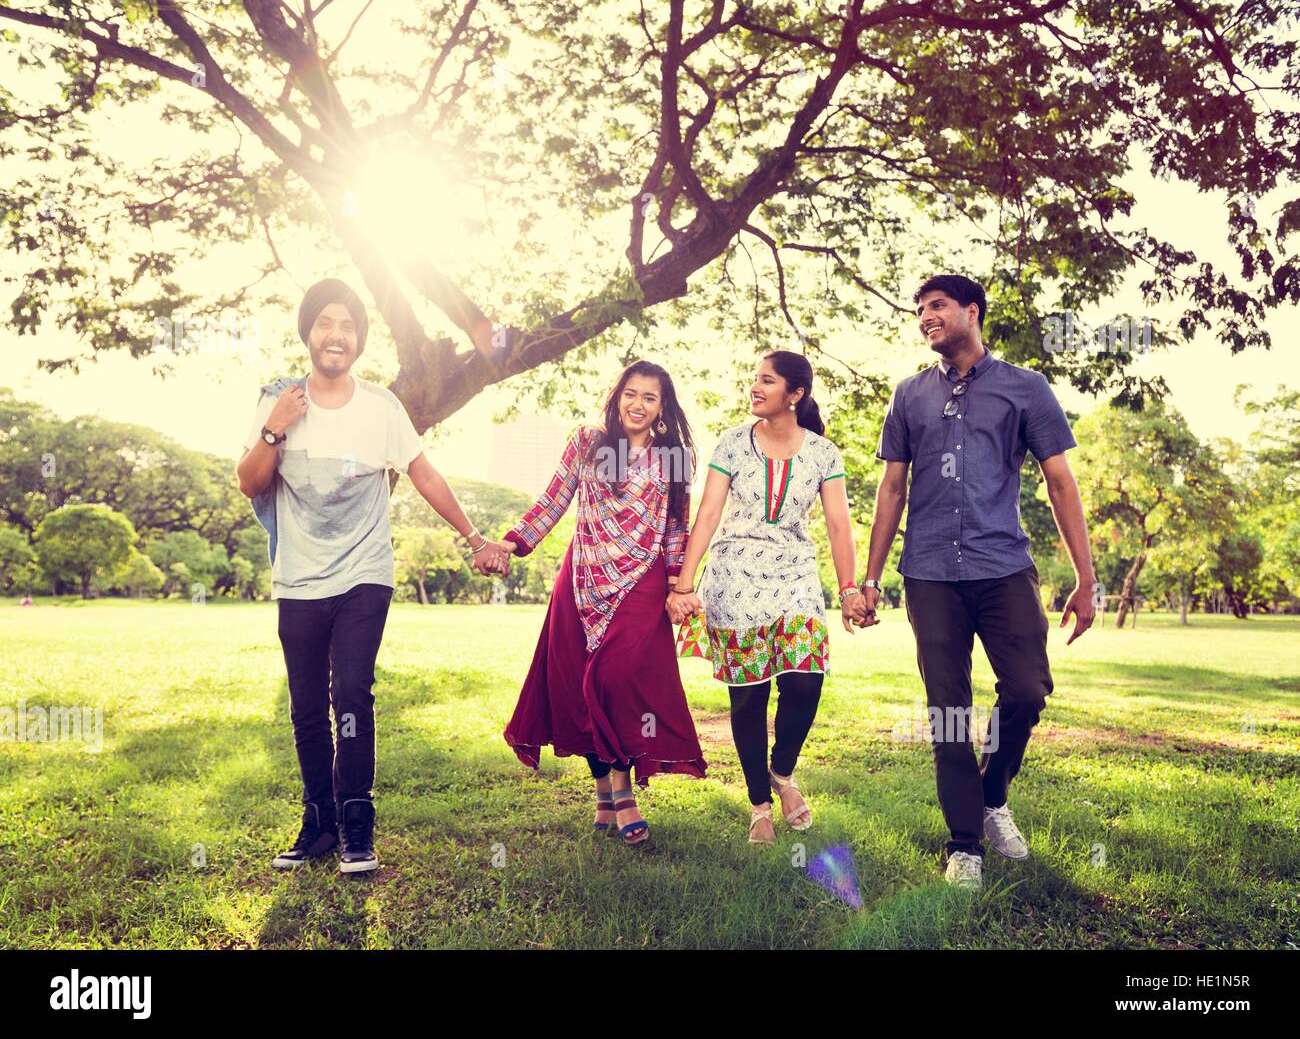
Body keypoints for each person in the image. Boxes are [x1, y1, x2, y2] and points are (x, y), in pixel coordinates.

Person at [237, 277, 509, 875]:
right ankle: (318, 825)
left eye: (349, 326)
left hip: (364, 573)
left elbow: (424, 474)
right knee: (307, 704)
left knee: (352, 691)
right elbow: (251, 482)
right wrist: (275, 426)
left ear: (359, 339)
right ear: (309, 332)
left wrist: (475, 537)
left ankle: (357, 823)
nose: (337, 335)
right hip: (299, 579)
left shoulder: (381, 406)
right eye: (326, 324)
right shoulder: (279, 400)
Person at [860, 273, 1096, 890]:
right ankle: (965, 843)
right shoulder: (909, 396)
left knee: (1027, 689)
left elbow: (1060, 481)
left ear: (972, 311)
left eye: (937, 306)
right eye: (919, 310)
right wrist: (869, 575)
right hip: (930, 573)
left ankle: (993, 797)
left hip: (1003, 567)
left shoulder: (1025, 389)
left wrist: (1086, 577)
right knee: (948, 711)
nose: (926, 317)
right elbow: (892, 487)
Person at [500, 361, 707, 845]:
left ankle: (623, 788)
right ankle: (605, 789)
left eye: (650, 398)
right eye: (630, 394)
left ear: (662, 407)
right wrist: (512, 543)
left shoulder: (672, 456)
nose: (638, 404)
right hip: (580, 579)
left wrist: (679, 585)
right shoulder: (588, 443)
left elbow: (678, 527)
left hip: (642, 582)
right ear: (616, 398)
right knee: (577, 683)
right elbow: (553, 500)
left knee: (615, 679)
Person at [668, 351, 866, 844]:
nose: (754, 388)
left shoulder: (824, 453)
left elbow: (839, 524)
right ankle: (759, 804)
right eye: (754, 379)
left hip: (795, 575)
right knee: (749, 697)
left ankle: (782, 772)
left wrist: (847, 589)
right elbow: (709, 513)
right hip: (734, 577)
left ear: (795, 394)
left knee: (805, 681)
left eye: (767, 381)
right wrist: (684, 583)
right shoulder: (733, 443)